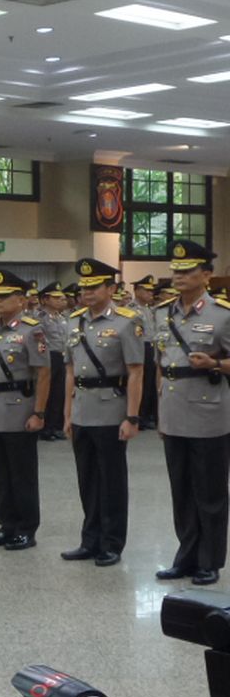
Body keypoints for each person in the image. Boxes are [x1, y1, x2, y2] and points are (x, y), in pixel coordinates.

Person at [152, 241, 230, 586]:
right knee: (181, 491)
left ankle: (209, 561)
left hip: (208, 413)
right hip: (173, 411)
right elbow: (161, 365)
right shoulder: (162, 313)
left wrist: (215, 363)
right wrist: (160, 411)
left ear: (207, 274)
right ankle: (186, 557)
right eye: (176, 270)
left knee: (209, 493)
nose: (179, 276)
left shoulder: (222, 314)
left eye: (187, 271)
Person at [61, 258, 144, 568]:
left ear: (110, 289)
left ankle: (111, 543)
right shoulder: (74, 321)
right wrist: (67, 414)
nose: (87, 293)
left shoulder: (126, 321)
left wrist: (132, 417)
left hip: (111, 410)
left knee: (111, 481)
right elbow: (70, 372)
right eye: (84, 288)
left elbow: (136, 372)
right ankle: (90, 540)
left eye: (94, 287)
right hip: (82, 410)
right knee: (87, 480)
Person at [0, 271, 51, 551]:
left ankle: (26, 528)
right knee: (1, 473)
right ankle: (6, 525)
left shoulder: (32, 330)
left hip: (20, 409)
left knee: (22, 474)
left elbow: (43, 374)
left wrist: (39, 413)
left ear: (21, 300)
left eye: (4, 296)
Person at [37, 282, 69, 441]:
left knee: (59, 393)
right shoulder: (40, 318)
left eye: (60, 298)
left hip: (62, 356)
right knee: (47, 393)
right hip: (49, 356)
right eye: (55, 298)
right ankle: (45, 428)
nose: (59, 301)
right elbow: (40, 340)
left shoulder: (62, 317)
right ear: (45, 300)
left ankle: (55, 426)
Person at [131, 274, 160, 430]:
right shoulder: (130, 309)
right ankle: (139, 416)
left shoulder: (149, 309)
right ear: (137, 291)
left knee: (150, 383)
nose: (150, 293)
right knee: (140, 382)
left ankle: (147, 414)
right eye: (146, 290)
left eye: (151, 291)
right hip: (139, 347)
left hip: (151, 347)